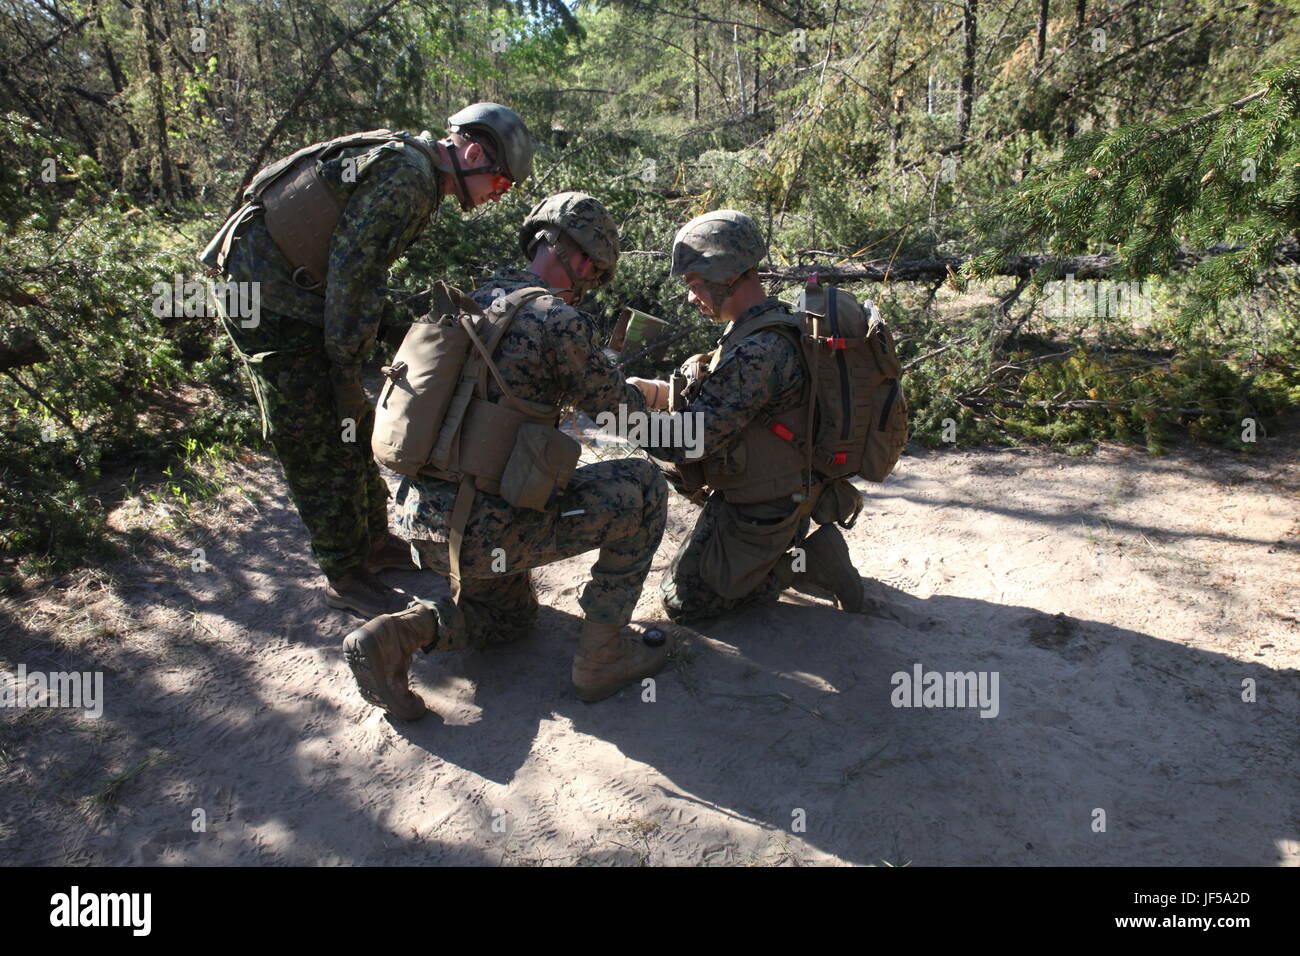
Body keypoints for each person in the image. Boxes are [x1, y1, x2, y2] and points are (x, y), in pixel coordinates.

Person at [342, 192, 672, 722]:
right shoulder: (558, 319)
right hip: (487, 526)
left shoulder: (477, 297)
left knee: (509, 621)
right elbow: (620, 414)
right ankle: (602, 657)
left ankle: (396, 634)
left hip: (424, 523)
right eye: (595, 273)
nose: (590, 285)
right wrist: (652, 392)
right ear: (584, 259)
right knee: (645, 486)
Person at [198, 103, 534, 619]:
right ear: (471, 154)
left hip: (297, 298)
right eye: (501, 183)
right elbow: (353, 276)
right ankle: (343, 573)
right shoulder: (409, 178)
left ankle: (374, 543)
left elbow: (358, 274)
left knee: (350, 423)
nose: (496, 196)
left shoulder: (413, 168)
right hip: (267, 305)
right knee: (316, 436)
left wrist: (388, 336)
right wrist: (346, 366)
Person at [631, 210, 865, 625]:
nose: (690, 296)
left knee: (686, 602)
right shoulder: (760, 326)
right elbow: (718, 400)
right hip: (773, 484)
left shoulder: (759, 350)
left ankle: (809, 561)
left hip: (771, 500)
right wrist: (651, 393)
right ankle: (757, 542)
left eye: (694, 284)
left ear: (724, 275)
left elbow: (688, 442)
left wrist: (617, 416)